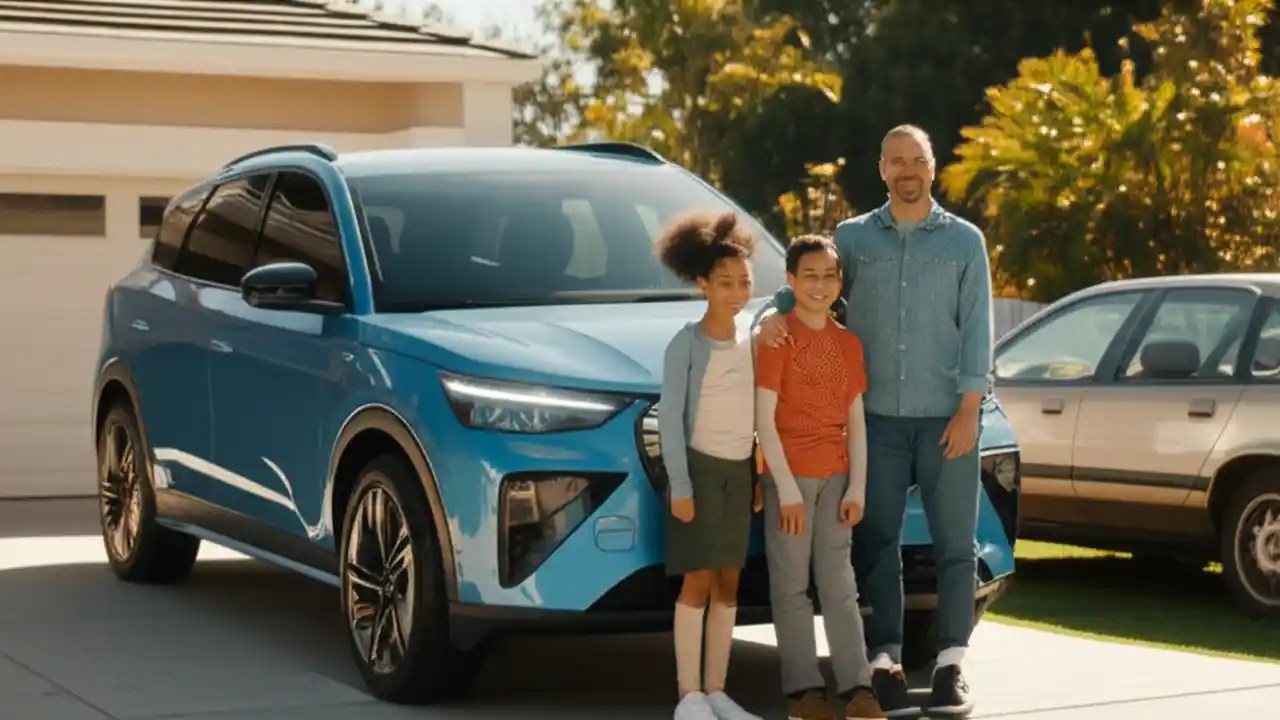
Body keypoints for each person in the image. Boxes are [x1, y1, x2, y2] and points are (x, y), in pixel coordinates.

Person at [758, 124, 994, 718]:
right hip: (875, 420)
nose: (907, 170)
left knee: (955, 545)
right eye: (896, 161)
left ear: (932, 167)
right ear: (882, 169)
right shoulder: (853, 237)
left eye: (917, 160)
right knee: (877, 541)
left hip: (948, 418)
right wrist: (772, 317)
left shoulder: (965, 241)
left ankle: (951, 664)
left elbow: (978, 327)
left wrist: (970, 408)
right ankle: (885, 660)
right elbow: (814, 285)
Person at [755, 234, 884, 720]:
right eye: (809, 275)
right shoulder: (776, 339)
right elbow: (764, 420)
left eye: (830, 275)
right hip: (788, 478)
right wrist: (785, 489)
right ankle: (804, 692)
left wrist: (858, 487)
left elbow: (856, 420)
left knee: (840, 585)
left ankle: (858, 689)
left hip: (837, 479)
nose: (820, 284)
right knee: (791, 585)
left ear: (840, 281)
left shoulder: (848, 344)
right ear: (790, 280)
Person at [656, 210, 764, 720]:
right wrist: (680, 486)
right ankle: (689, 695)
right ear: (702, 284)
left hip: (739, 474)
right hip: (697, 472)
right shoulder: (686, 343)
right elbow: (669, 420)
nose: (737, 292)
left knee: (729, 583)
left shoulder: (753, 340)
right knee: (697, 581)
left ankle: (718, 691)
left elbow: (758, 410)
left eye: (744, 281)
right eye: (725, 283)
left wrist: (758, 474)